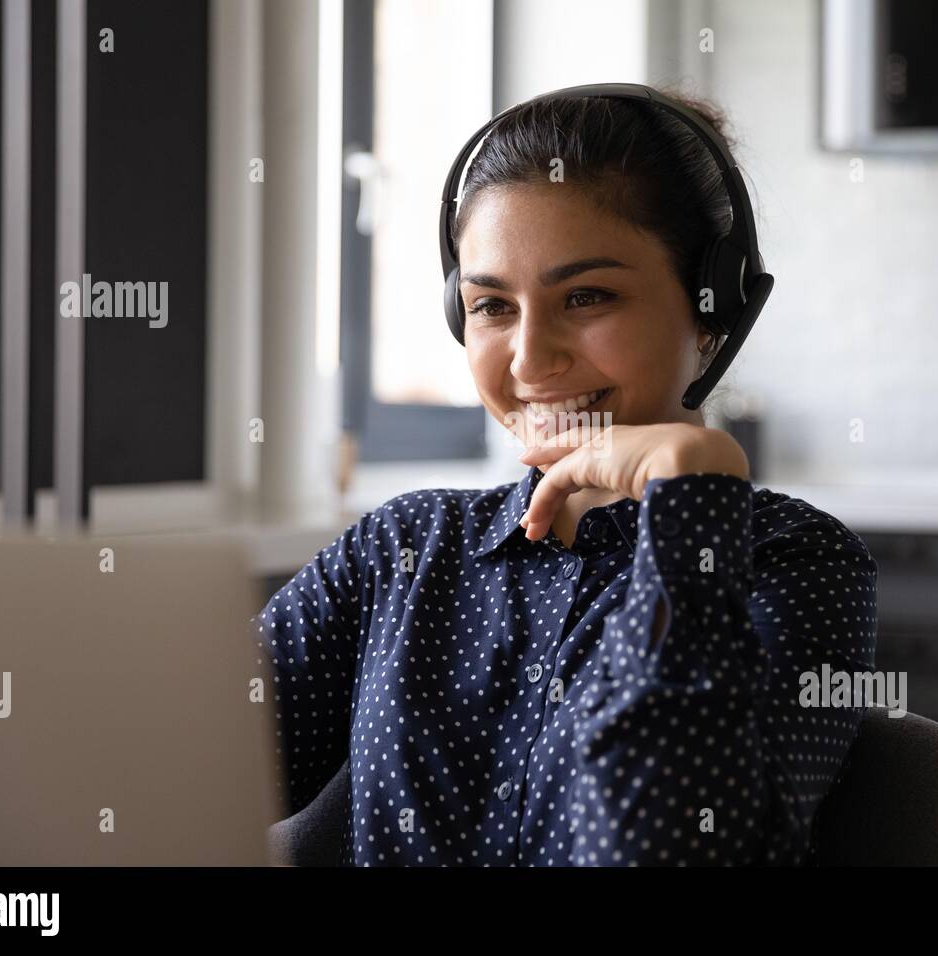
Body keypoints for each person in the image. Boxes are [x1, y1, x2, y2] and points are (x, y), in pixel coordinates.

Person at [252, 85, 878, 866]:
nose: (528, 359)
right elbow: (173, 776)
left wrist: (688, 497)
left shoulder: (793, 565)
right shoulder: (400, 550)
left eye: (586, 296)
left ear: (714, 312)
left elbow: (675, 846)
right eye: (491, 306)